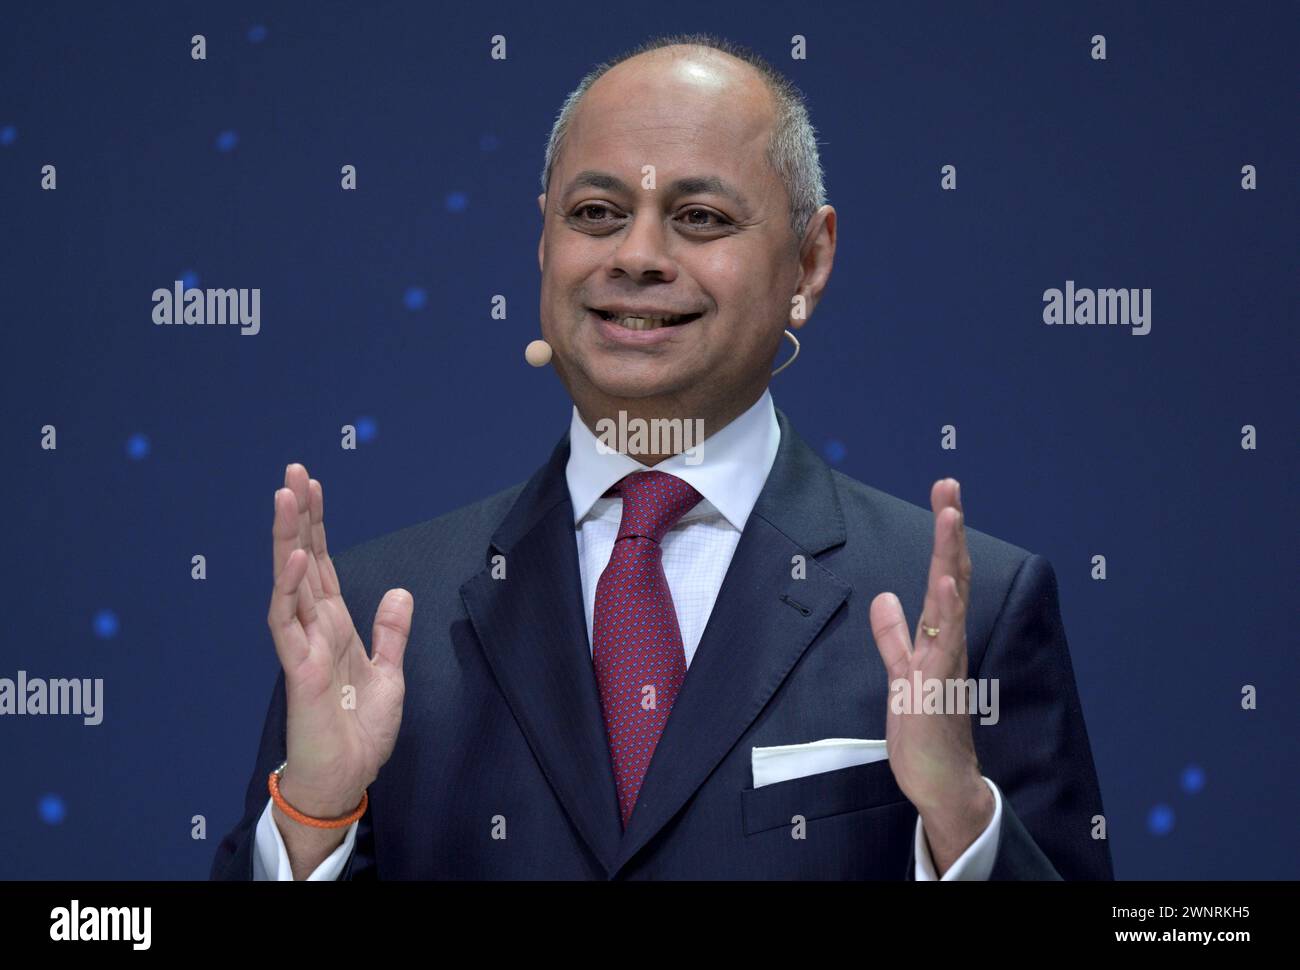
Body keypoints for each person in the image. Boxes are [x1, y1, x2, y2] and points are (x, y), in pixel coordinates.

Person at [211, 33, 1112, 881]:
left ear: (809, 260)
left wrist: (960, 820)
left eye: (699, 216)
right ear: (543, 240)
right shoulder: (373, 618)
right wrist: (314, 819)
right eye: (596, 213)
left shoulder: (967, 609)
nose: (638, 255)